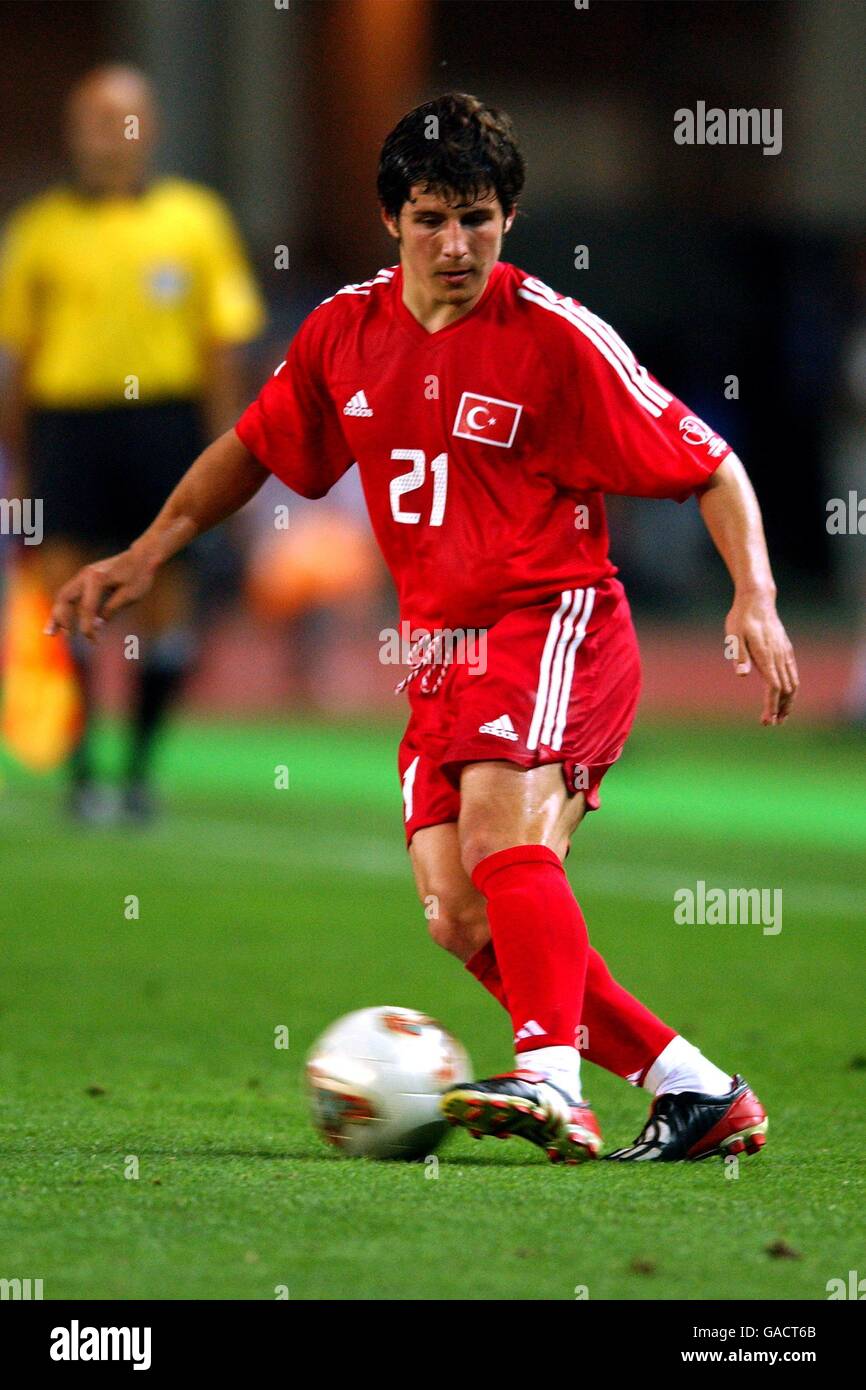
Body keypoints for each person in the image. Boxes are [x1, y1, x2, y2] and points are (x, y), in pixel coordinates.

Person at [47, 93, 798, 1161]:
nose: (458, 243)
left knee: (502, 834)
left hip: (554, 623)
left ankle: (549, 1081)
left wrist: (754, 596)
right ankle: (694, 1088)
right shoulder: (342, 336)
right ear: (392, 218)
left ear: (507, 220)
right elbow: (253, 449)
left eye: (480, 218)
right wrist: (144, 550)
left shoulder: (555, 340)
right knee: (459, 914)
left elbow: (709, 462)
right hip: (441, 651)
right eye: (435, 217)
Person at [0, 64, 264, 820]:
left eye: (124, 118)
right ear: (72, 131)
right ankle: (84, 774)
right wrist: (20, 463)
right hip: (68, 429)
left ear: (149, 128)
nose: (109, 134)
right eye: (92, 118)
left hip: (165, 426)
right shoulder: (36, 231)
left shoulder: (195, 221)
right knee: (64, 598)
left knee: (165, 605)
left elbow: (223, 348)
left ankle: (140, 772)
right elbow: (18, 359)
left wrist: (228, 461)